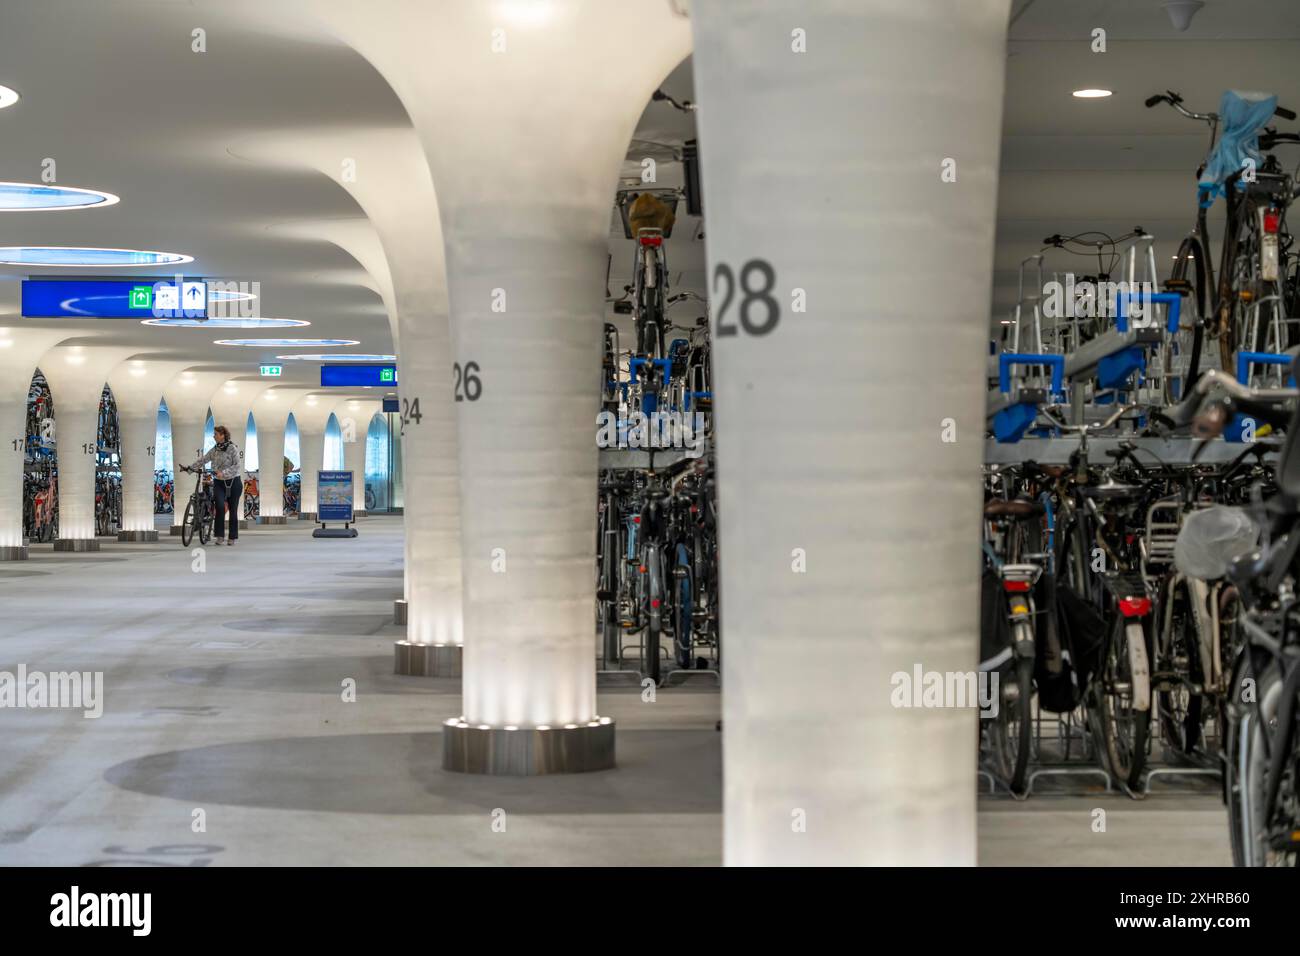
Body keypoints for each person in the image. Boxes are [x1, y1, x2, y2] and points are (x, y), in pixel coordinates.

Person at [181, 425, 243, 545]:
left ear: (222, 435)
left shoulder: (232, 448)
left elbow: (236, 466)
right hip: (219, 483)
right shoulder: (215, 449)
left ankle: (232, 537)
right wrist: (189, 468)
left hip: (233, 482)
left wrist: (223, 473)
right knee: (219, 507)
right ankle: (220, 536)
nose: (214, 436)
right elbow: (203, 459)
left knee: (233, 510)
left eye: (215, 434)